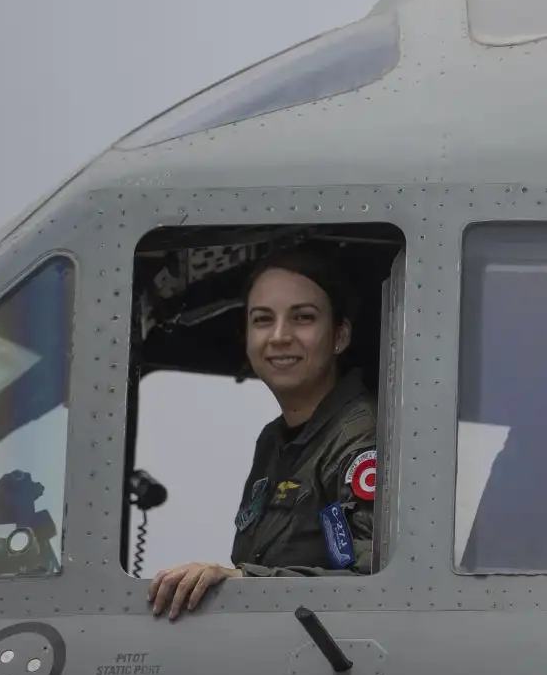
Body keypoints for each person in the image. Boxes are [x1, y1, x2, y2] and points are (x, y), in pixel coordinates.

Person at [147, 247, 378, 620]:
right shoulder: (274, 441)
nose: (279, 336)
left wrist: (240, 580)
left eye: (303, 318)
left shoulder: (361, 437)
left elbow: (373, 585)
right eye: (262, 320)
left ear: (340, 335)